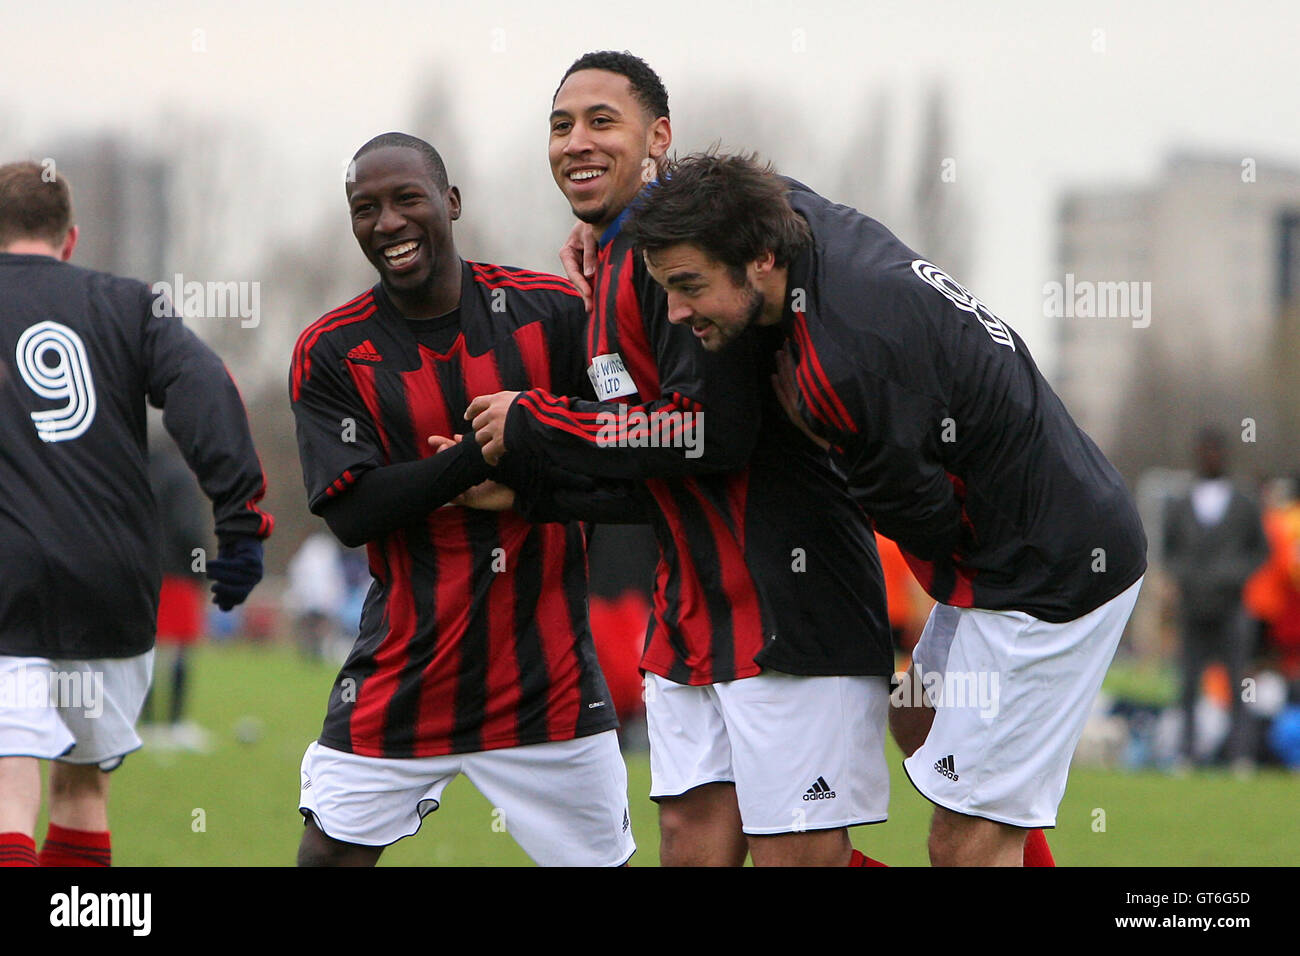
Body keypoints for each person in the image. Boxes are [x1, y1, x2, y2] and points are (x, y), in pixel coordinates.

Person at [627, 151, 1148, 866]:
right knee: (918, 722)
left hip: (1049, 571)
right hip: (1016, 546)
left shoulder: (840, 365)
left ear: (759, 260)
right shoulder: (787, 215)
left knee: (963, 842)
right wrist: (625, 212)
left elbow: (925, 523)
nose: (677, 312)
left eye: (688, 286)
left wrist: (829, 441)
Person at [466, 52, 895, 867]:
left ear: (659, 137)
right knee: (691, 851)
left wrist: (539, 422)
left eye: (602, 121)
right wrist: (533, 491)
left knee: (797, 860)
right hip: (691, 621)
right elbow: (655, 468)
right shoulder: (607, 268)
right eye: (561, 125)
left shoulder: (693, 262)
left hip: (789, 612)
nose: (576, 142)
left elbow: (705, 432)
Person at [289, 132, 635, 867]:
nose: (386, 222)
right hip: (404, 672)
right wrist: (483, 452)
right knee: (324, 859)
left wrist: (523, 483)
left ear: (449, 202)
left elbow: (631, 469)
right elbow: (351, 513)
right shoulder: (330, 350)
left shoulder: (555, 314)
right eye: (365, 208)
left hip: (548, 681)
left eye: (406, 198)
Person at [0, 160, 272, 867]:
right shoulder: (128, 302)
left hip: (7, 571)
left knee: (7, 781)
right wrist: (240, 521)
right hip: (112, 572)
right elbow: (208, 388)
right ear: (71, 238)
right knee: (82, 789)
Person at [1164, 427, 1269, 767]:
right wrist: (1188, 578)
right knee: (1188, 682)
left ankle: (1240, 754)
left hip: (1232, 605)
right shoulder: (1181, 502)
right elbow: (1170, 551)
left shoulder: (1244, 502)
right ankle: (1187, 752)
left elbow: (1260, 551)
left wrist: (1232, 575)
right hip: (1193, 605)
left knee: (1238, 681)